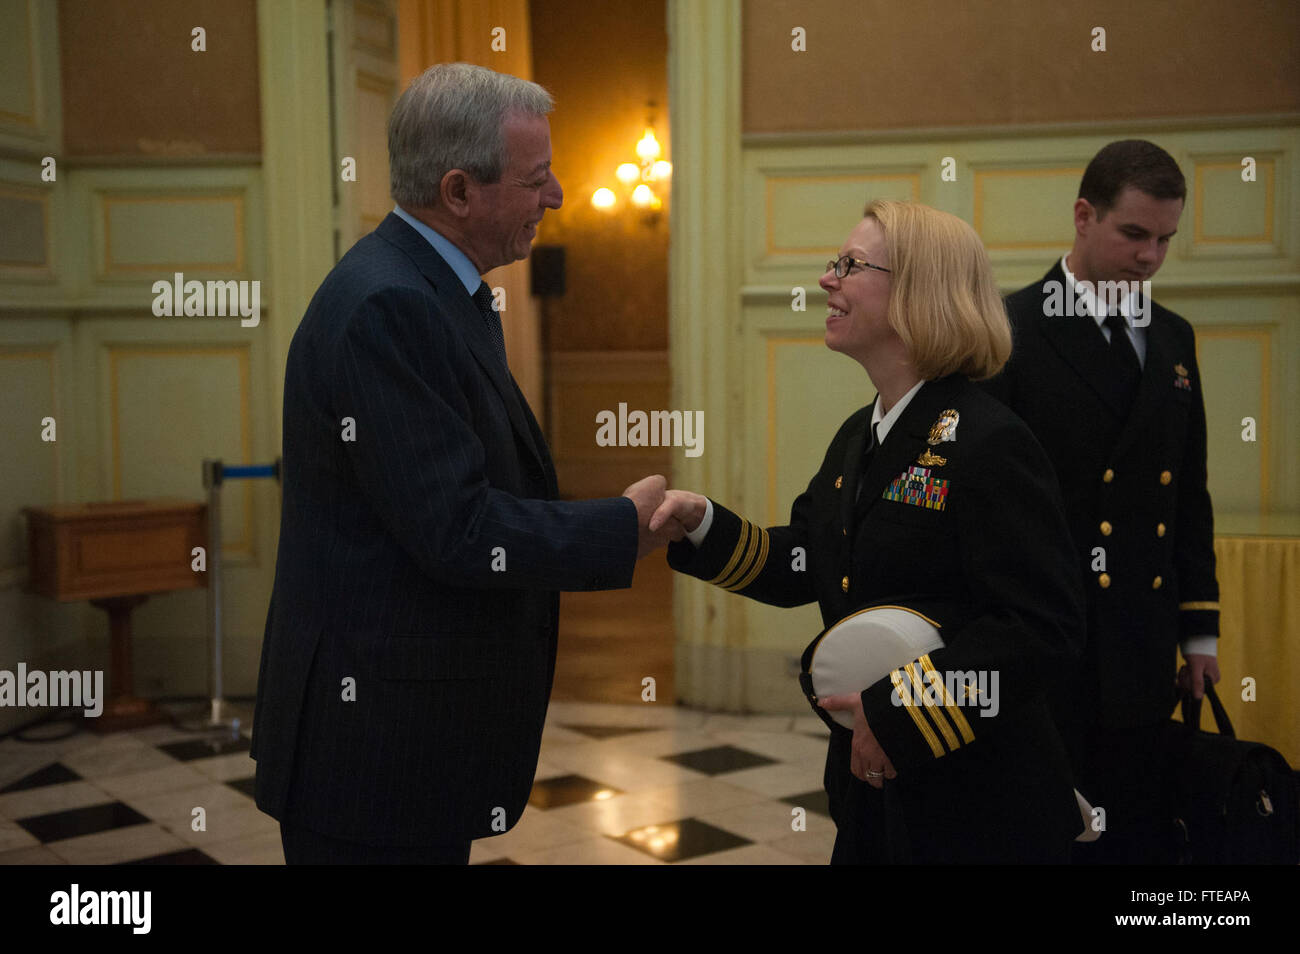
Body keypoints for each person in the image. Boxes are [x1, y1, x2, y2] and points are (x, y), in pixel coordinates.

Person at [251, 63, 682, 864]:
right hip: (371, 749)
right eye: (536, 178)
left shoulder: (434, 290)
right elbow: (455, 527)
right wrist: (620, 527)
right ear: (458, 191)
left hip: (405, 736)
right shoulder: (391, 305)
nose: (554, 198)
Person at [652, 199, 1086, 863]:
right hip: (876, 785)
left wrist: (899, 710)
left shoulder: (991, 441)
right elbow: (809, 560)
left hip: (976, 797)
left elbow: (1040, 628)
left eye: (850, 265)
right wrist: (703, 526)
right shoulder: (862, 433)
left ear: (917, 291)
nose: (828, 279)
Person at [980, 140, 1221, 863]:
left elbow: (1187, 494)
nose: (1150, 257)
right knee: (1056, 837)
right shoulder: (1011, 332)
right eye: (1134, 234)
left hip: (1145, 646)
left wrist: (1199, 634)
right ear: (1084, 216)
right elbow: (988, 511)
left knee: (1138, 837)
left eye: (1166, 240)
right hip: (1055, 647)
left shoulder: (1173, 338)